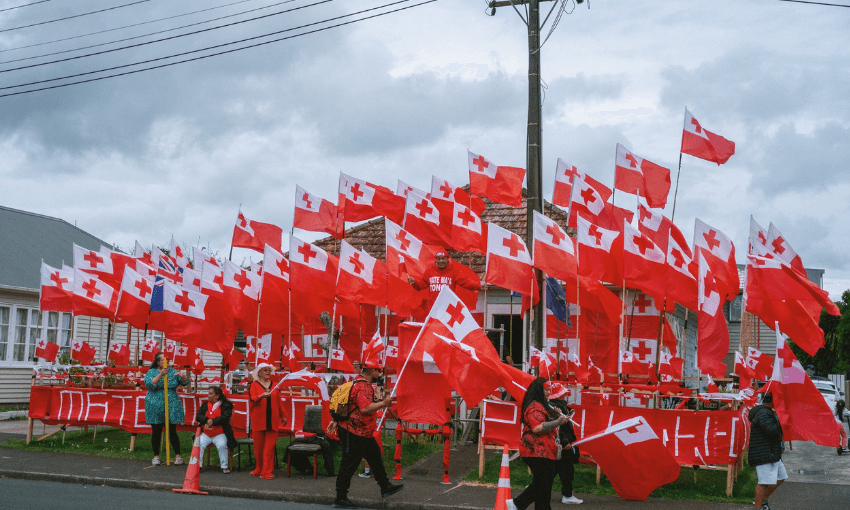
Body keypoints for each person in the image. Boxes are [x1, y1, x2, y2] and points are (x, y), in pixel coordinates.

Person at [329, 358, 403, 509]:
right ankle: (340, 498)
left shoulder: (355, 382)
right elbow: (364, 409)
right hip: (355, 432)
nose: (380, 372)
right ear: (372, 371)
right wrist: (383, 403)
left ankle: (385, 486)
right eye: (378, 370)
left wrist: (337, 420)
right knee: (349, 464)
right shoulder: (363, 386)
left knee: (375, 457)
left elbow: (350, 405)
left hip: (361, 431)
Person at [507, 378, 571, 510]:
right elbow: (537, 427)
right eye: (546, 390)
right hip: (536, 451)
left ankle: (518, 504)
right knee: (543, 484)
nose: (548, 393)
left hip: (544, 451)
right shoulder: (535, 406)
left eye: (549, 390)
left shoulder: (541, 405)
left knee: (544, 484)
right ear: (539, 390)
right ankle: (517, 504)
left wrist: (557, 416)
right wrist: (558, 421)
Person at [145, 351, 190, 466]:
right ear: (158, 362)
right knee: (156, 431)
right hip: (155, 403)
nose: (167, 362)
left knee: (172, 430)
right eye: (164, 361)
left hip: (171, 403)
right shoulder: (152, 372)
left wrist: (184, 377)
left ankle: (178, 456)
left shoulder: (173, 372)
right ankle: (156, 456)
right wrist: (161, 374)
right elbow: (150, 384)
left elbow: (185, 382)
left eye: (168, 360)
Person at [408, 252, 481, 313]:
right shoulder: (430, 270)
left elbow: (465, 282)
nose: (441, 261)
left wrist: (479, 286)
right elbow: (422, 284)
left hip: (448, 307)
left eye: (443, 259)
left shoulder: (454, 270)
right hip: (433, 308)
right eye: (439, 259)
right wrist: (414, 282)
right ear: (436, 260)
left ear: (447, 259)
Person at [748, 392, 786, 510]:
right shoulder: (763, 413)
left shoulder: (766, 412)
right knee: (763, 483)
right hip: (764, 454)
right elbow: (771, 431)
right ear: (772, 401)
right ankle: (758, 507)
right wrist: (781, 420)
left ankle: (763, 501)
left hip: (771, 453)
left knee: (781, 476)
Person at [249, 363, 286, 479]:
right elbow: (252, 399)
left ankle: (267, 471)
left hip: (272, 420)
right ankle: (258, 468)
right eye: (265, 370)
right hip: (258, 420)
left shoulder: (275, 385)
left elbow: (279, 401)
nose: (268, 372)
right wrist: (261, 397)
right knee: (258, 448)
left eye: (269, 370)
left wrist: (283, 415)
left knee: (269, 448)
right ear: (259, 373)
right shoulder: (254, 385)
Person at [548, 383, 582, 505]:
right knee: (566, 471)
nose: (565, 395)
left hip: (559, 444)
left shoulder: (558, 406)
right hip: (561, 445)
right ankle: (567, 495)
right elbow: (559, 428)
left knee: (552, 471)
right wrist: (565, 442)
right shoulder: (555, 408)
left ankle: (535, 490)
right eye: (562, 393)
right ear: (558, 395)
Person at [195, 385, 237, 473]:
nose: (208, 395)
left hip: (220, 433)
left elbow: (225, 418)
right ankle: (197, 465)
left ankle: (224, 466)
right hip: (206, 433)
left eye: (211, 394)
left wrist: (212, 421)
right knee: (199, 444)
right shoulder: (205, 405)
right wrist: (206, 420)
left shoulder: (225, 405)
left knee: (222, 445)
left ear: (217, 395)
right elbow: (198, 416)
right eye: (208, 393)